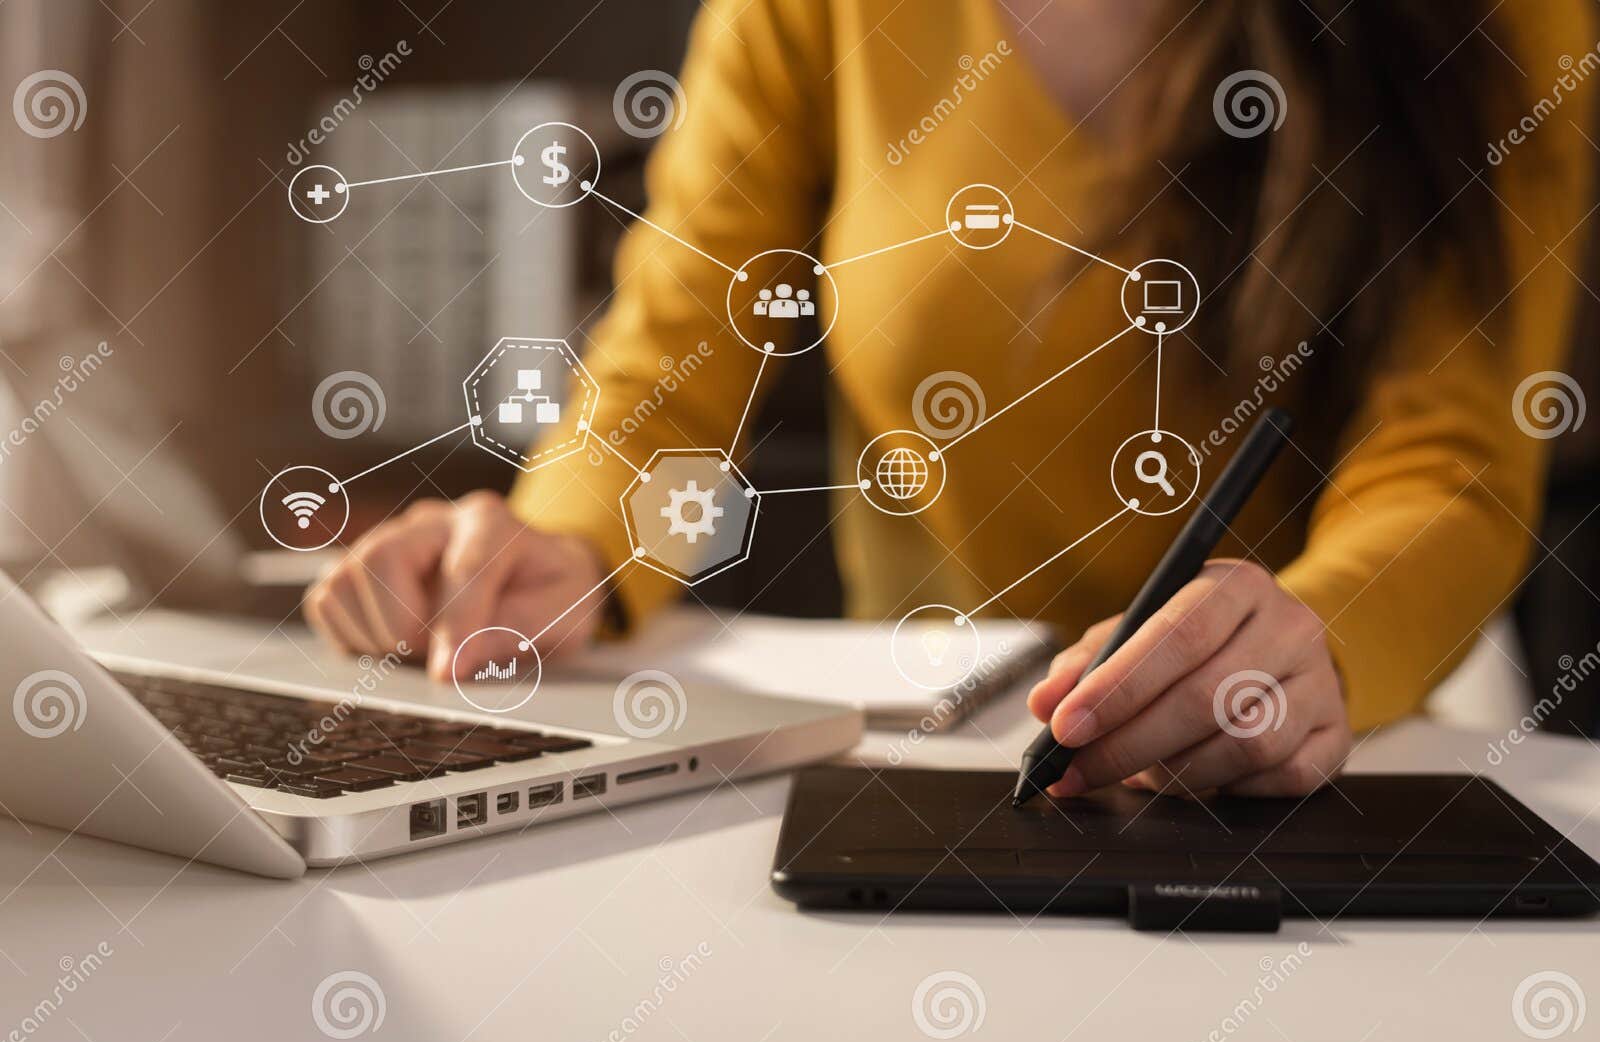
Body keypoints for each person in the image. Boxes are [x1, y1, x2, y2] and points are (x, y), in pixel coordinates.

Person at [307, 0, 1592, 799]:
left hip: (1318, 748)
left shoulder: (1505, 17)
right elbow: (674, 355)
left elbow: (1455, 458)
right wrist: (568, 543)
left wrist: (1314, 639)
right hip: (921, 755)